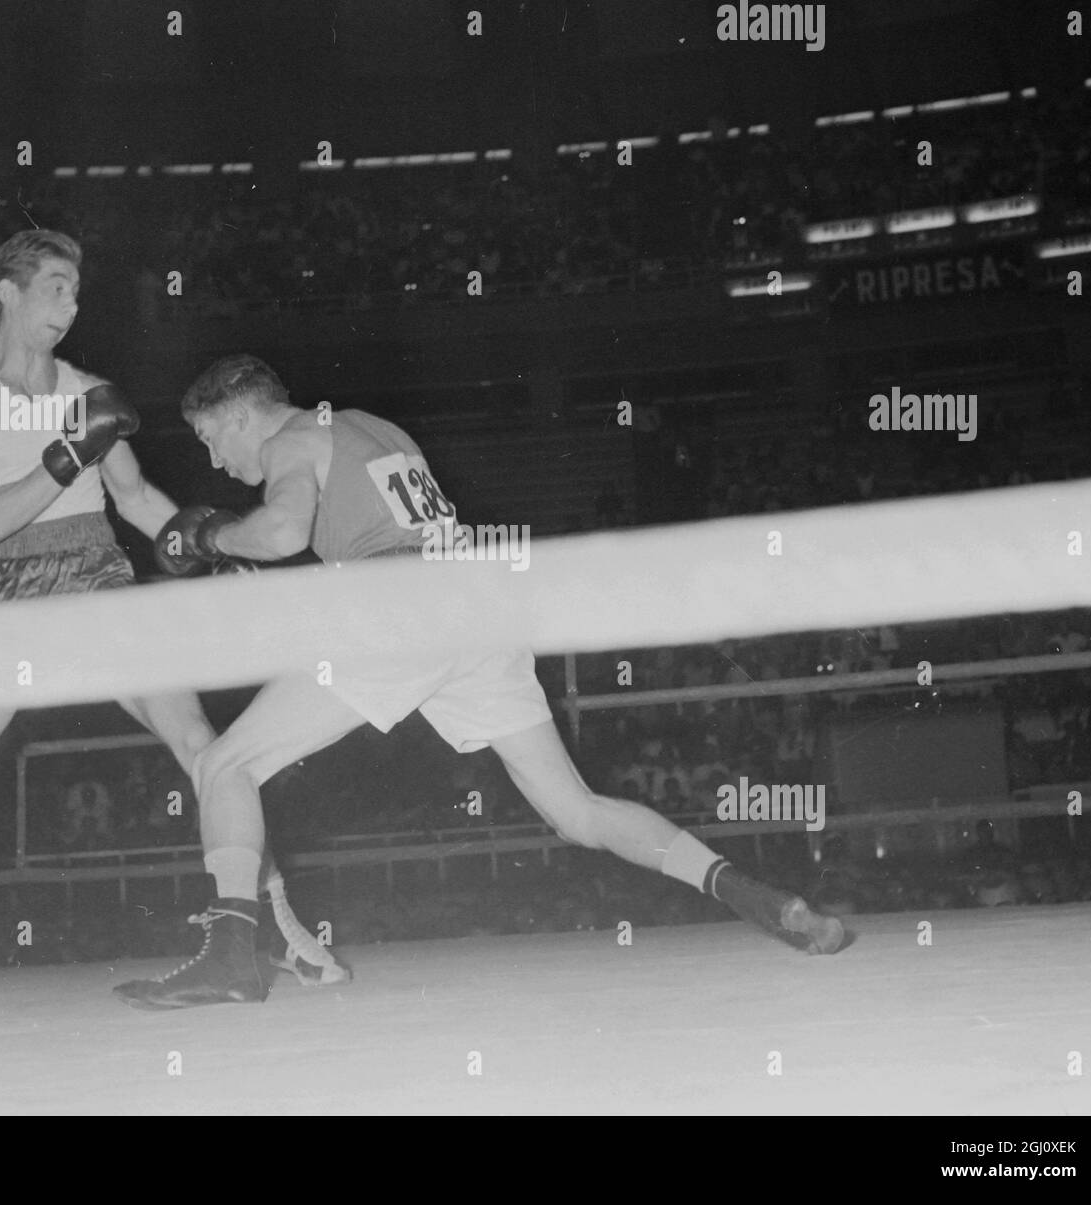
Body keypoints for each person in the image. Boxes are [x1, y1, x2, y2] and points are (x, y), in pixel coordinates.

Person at [114, 354, 846, 1009]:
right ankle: (758, 896)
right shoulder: (377, 428)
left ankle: (232, 959)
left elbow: (283, 533)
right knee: (578, 811)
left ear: (241, 412)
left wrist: (211, 534)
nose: (214, 460)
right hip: (476, 611)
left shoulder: (290, 439)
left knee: (222, 762)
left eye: (213, 437)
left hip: (404, 609)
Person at [0, 233, 341, 1018]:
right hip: (2, 590)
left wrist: (212, 545)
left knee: (207, 750)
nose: (70, 307)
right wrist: (68, 451)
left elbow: (139, 499)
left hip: (97, 578)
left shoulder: (91, 389)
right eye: (53, 287)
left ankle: (281, 929)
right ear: (6, 292)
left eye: (76, 292)